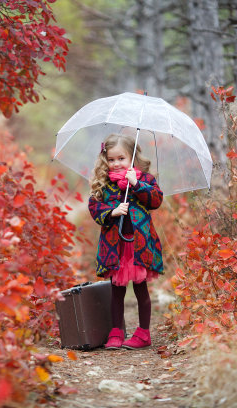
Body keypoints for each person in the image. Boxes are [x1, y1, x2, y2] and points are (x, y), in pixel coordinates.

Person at [88, 133, 164, 350]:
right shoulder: (104, 184)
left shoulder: (145, 179)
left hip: (138, 244)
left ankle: (143, 333)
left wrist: (136, 184)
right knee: (116, 290)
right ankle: (116, 332)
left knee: (141, 289)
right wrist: (112, 211)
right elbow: (94, 207)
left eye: (121, 158)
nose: (115, 164)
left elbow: (156, 200)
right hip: (115, 245)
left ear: (132, 157)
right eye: (111, 160)